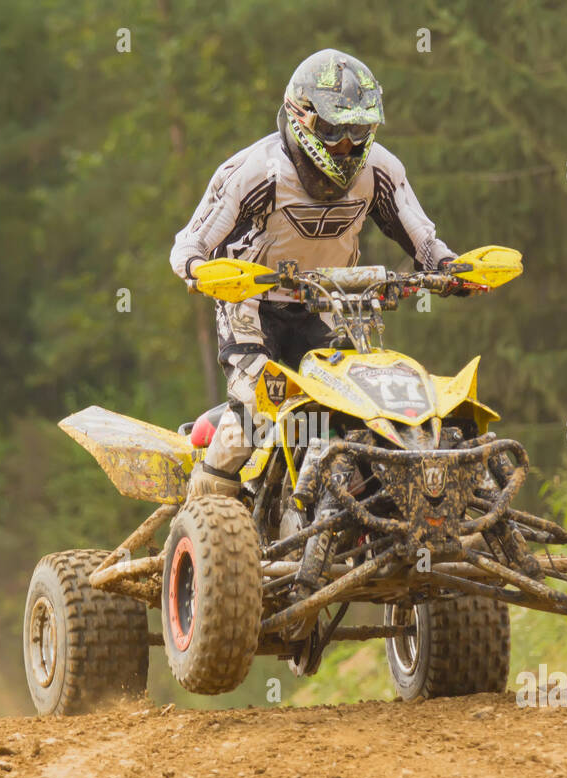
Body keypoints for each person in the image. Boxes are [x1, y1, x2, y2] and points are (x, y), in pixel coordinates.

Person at [170, 49, 460, 498]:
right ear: (300, 117)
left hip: (326, 305)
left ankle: (360, 512)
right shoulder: (256, 172)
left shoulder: (378, 169)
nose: (345, 146)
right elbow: (188, 243)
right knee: (254, 407)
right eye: (333, 132)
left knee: (360, 406)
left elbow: (422, 238)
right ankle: (205, 516)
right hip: (249, 304)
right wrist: (199, 270)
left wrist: (448, 267)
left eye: (357, 131)